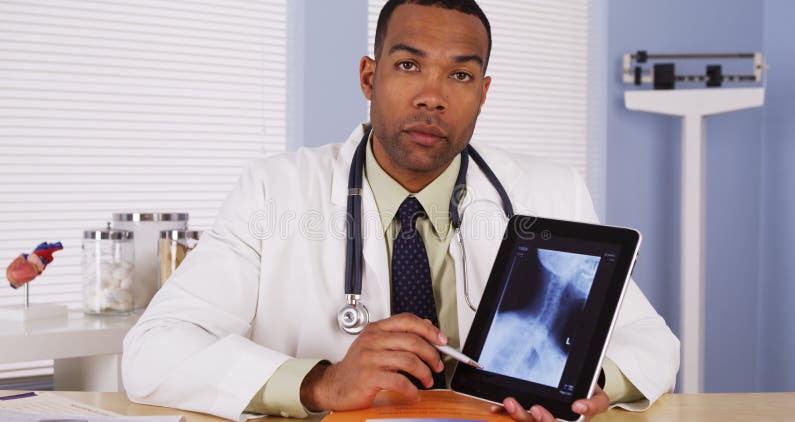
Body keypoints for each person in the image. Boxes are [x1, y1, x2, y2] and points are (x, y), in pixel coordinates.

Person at [122, 1, 679, 421]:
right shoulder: (275, 191)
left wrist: (582, 380)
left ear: (483, 93)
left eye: (460, 75)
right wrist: (321, 383)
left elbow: (652, 342)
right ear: (370, 76)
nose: (432, 96)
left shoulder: (549, 191)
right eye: (410, 65)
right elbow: (154, 351)